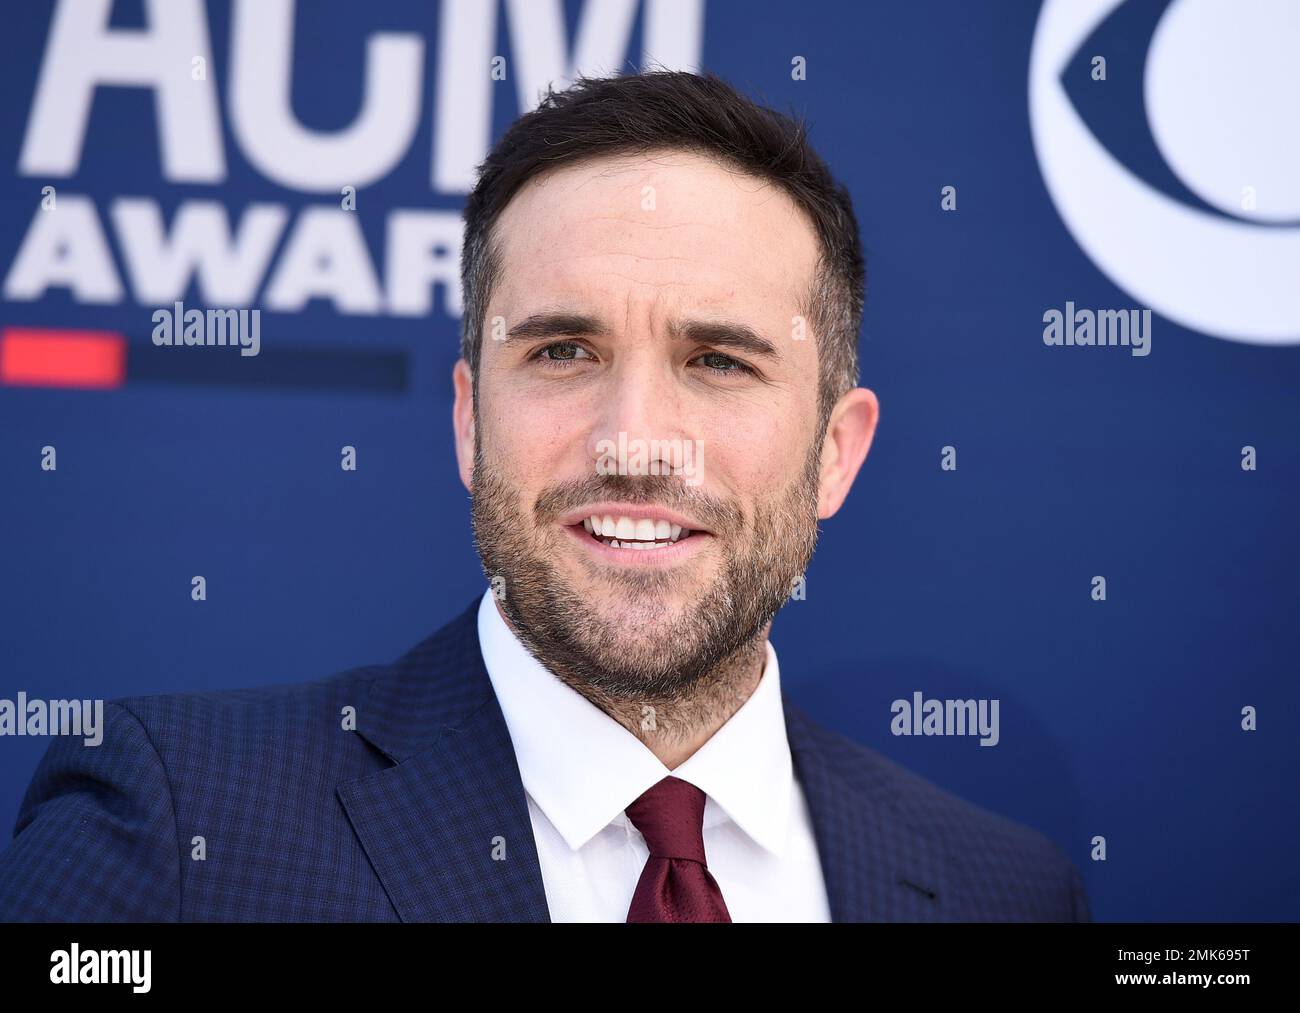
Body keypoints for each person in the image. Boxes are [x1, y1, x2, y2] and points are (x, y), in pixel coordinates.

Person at [0, 71, 1088, 922]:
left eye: (718, 360)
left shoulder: (1004, 888)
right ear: (471, 419)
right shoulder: (173, 828)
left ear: (837, 451)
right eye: (565, 349)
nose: (635, 443)